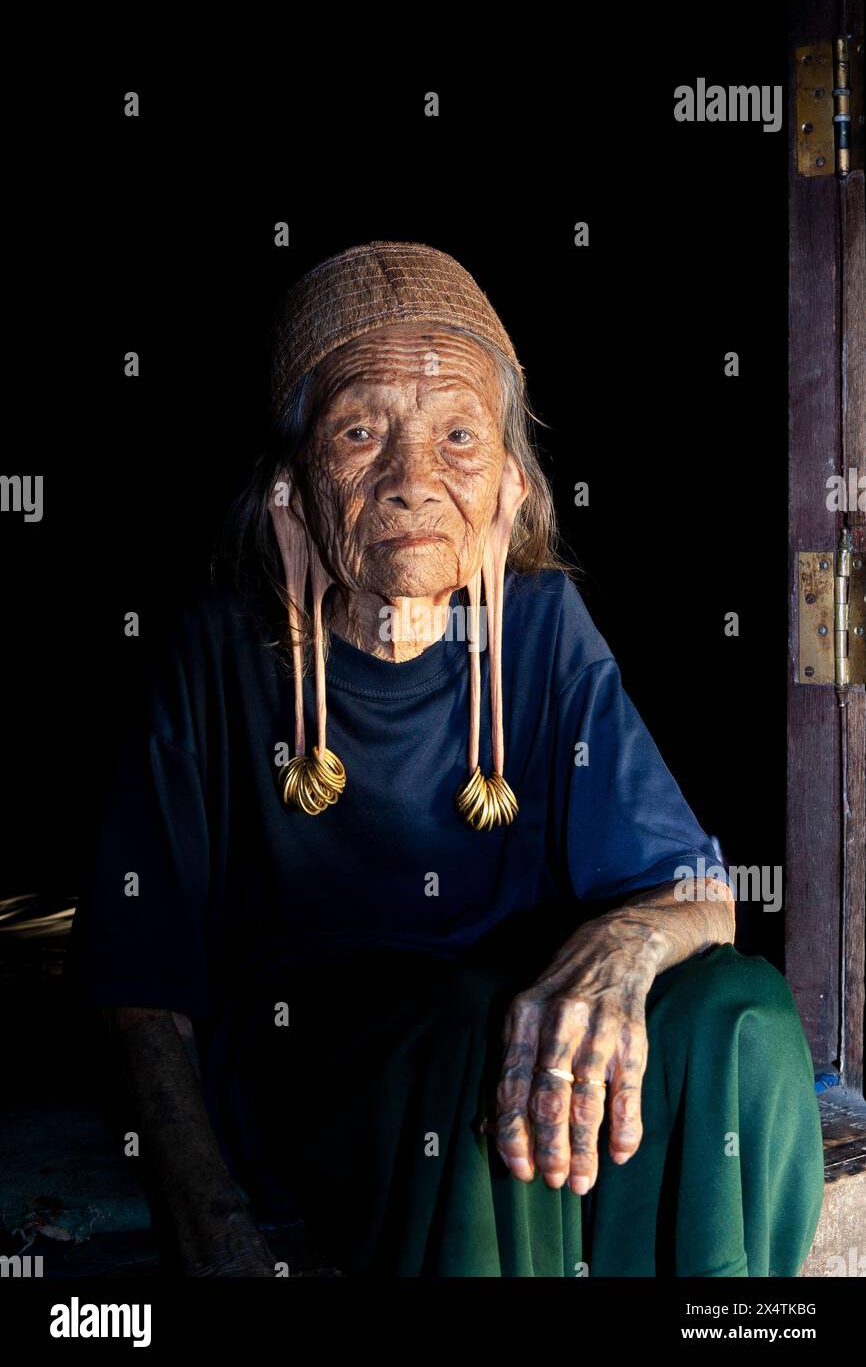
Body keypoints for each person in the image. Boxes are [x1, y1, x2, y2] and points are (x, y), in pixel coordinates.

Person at [69, 241, 825, 1277]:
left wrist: (614, 959)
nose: (412, 481)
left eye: (457, 435)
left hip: (510, 1026)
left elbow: (695, 892)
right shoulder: (212, 653)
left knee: (735, 1011)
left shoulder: (543, 626)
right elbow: (138, 982)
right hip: (333, 1063)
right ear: (291, 490)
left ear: (511, 488)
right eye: (358, 431)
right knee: (481, 1037)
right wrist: (211, 1222)